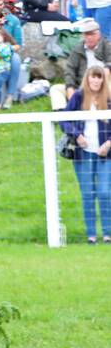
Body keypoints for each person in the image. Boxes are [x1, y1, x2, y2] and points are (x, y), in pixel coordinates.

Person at [60, 65, 111, 243]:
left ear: (103, 80)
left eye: (99, 77)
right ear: (87, 78)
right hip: (83, 154)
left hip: (106, 154)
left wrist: (108, 143)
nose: (96, 80)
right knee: (88, 194)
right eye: (93, 77)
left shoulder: (109, 97)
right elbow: (64, 120)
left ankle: (107, 234)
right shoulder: (78, 96)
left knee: (105, 192)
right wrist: (77, 135)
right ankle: (91, 235)